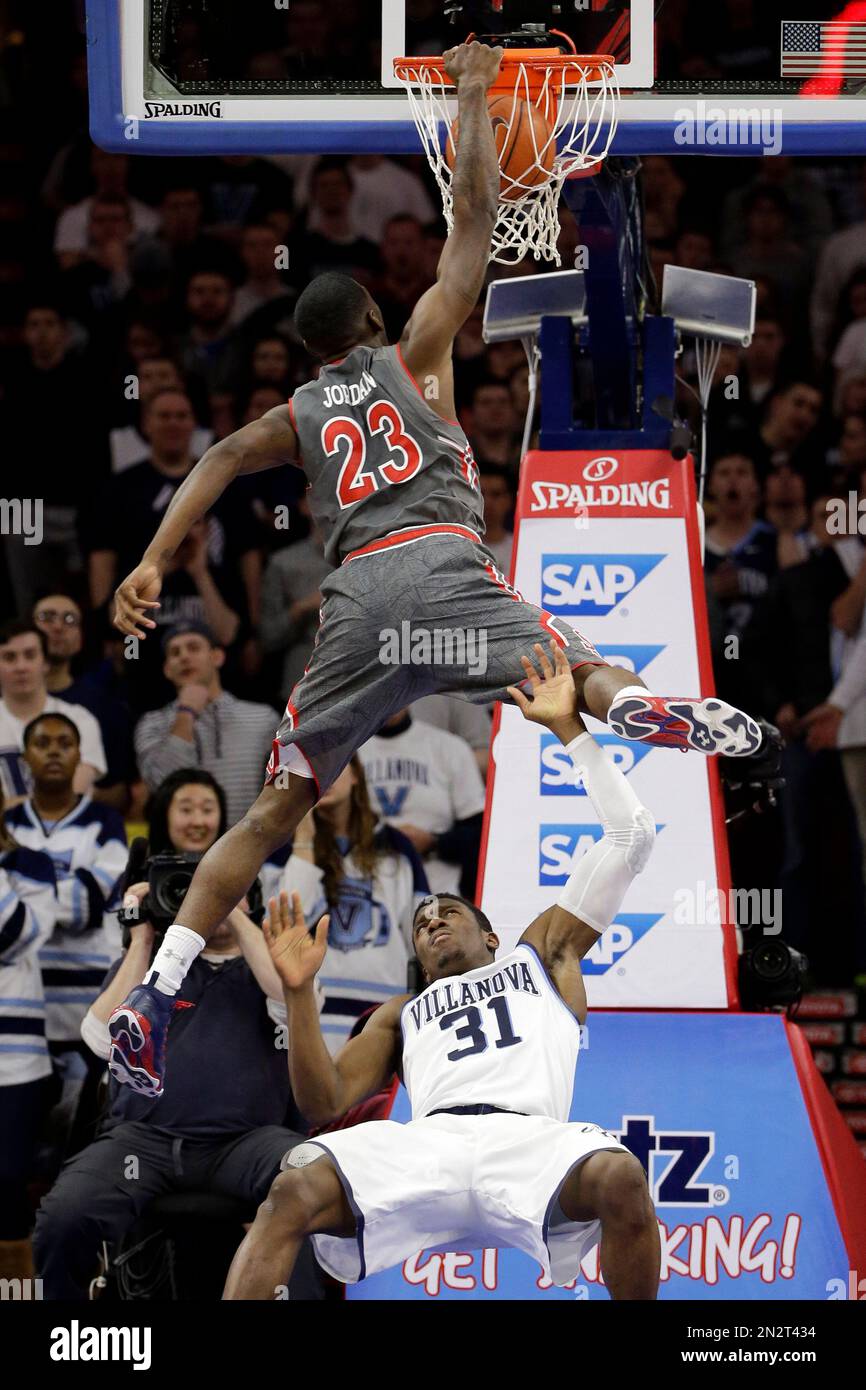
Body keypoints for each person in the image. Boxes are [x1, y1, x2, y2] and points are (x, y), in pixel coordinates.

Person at [109, 41, 763, 1098]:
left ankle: (153, 995)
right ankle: (640, 708)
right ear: (369, 324)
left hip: (357, 601)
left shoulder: (301, 411)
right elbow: (468, 225)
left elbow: (222, 458)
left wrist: (149, 558)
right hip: (445, 572)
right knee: (568, 663)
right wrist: (468, 92)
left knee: (274, 809)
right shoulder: (415, 349)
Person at [222, 644, 660, 1300]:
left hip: (528, 1141)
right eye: (422, 921)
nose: (430, 920)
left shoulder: (540, 956)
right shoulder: (403, 1010)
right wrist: (300, 994)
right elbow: (325, 1105)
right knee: (291, 1188)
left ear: (489, 933)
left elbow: (632, 837)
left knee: (622, 1179)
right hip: (424, 1145)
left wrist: (570, 728)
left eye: (446, 911)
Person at [32, 768, 324, 1301]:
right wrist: (143, 936)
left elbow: (293, 1000)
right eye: (192, 895)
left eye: (213, 889)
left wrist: (232, 910)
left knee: (312, 1180)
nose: (201, 902)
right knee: (64, 1214)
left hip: (246, 1143)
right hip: (145, 1145)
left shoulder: (272, 963)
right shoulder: (156, 967)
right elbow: (100, 1039)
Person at [273, 754, 428, 1052]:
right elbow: (287, 926)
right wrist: (303, 839)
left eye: (335, 765)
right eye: (315, 771)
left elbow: (418, 937)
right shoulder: (280, 846)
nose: (325, 775)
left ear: (356, 774)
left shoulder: (396, 846)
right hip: (309, 1012)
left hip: (381, 1015)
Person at [5, 711, 127, 1055]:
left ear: (79, 755)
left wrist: (23, 901)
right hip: (22, 1000)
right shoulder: (8, 825)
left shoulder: (106, 823)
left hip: (89, 1000)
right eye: (42, 744)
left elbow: (89, 902)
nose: (54, 752)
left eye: (65, 744)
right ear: (26, 758)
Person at [134, 623, 277, 827]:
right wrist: (186, 714)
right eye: (175, 652)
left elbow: (280, 790)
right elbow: (161, 782)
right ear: (167, 670)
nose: (184, 657)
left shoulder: (263, 718)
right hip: (183, 849)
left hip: (249, 848)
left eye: (193, 648)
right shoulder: (152, 723)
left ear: (217, 657)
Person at [0, 789, 58, 1285]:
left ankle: (16, 1295)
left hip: (15, 1062)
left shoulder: (31, 865)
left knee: (6, 1187)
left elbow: (15, 932)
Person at [359, 708, 485, 896]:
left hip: (439, 890)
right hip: (367, 889)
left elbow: (480, 834)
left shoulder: (449, 747)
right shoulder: (348, 751)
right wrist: (383, 839)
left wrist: (434, 842)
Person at [0, 621, 107, 805]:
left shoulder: (79, 719)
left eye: (30, 655)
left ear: (46, 663)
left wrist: (8, 807)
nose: (21, 667)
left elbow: (69, 798)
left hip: (68, 832)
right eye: (9, 657)